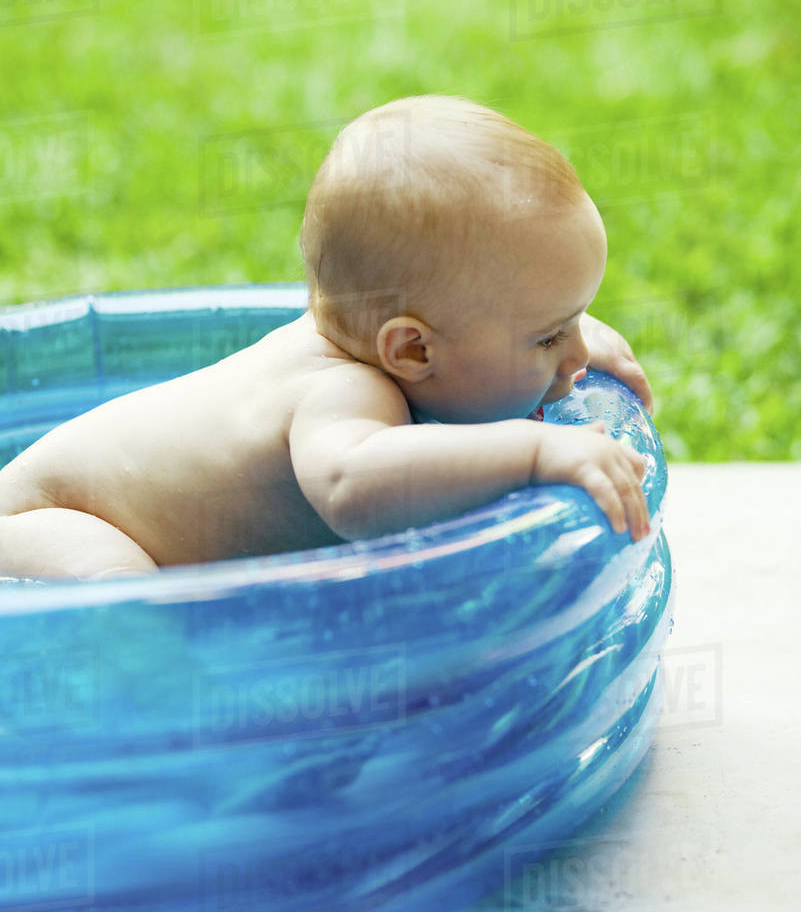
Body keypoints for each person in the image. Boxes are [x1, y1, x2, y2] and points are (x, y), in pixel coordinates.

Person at [0, 95, 654, 582]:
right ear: (413, 350)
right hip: (43, 521)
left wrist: (552, 334)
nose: (576, 353)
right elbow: (351, 489)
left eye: (573, 321)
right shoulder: (340, 391)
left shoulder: (373, 343)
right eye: (548, 337)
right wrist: (534, 451)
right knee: (124, 591)